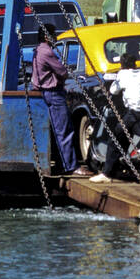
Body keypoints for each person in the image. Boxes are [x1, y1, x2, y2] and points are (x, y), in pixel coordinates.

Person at [31, 24, 91, 177]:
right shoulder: (46, 51)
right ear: (46, 36)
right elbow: (63, 72)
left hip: (44, 93)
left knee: (57, 130)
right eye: (53, 34)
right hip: (53, 93)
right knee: (65, 131)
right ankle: (71, 166)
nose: (55, 37)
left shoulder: (38, 50)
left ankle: (61, 163)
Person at [91, 48, 140, 184]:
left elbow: (114, 90)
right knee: (126, 134)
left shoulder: (122, 74)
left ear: (122, 64)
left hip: (135, 112)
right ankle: (124, 162)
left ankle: (106, 173)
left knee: (114, 138)